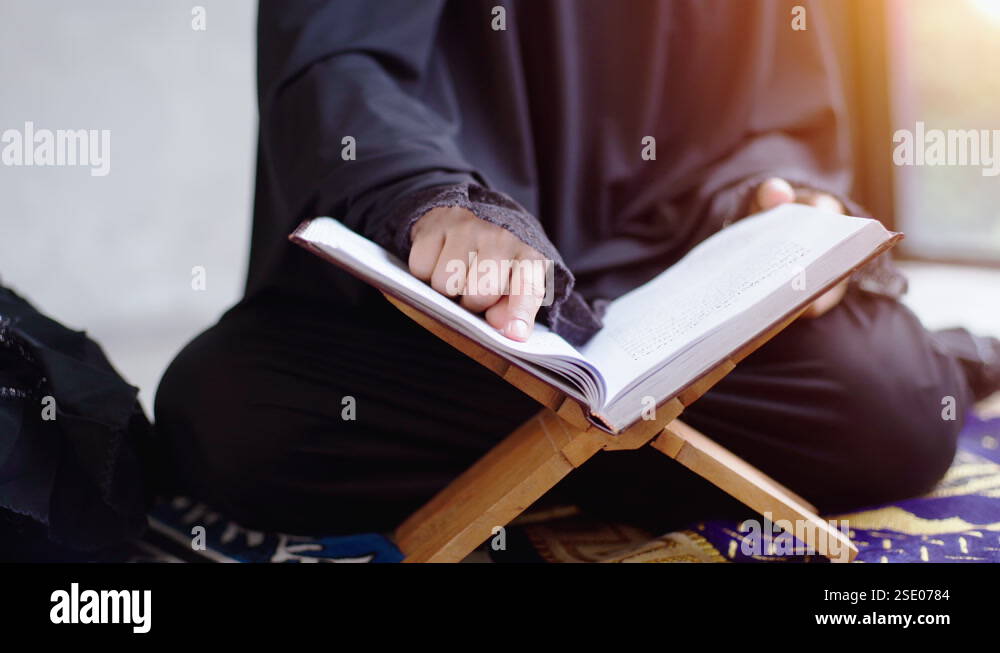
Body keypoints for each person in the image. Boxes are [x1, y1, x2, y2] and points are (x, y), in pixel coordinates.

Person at [154, 0, 1000, 535]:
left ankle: (553, 449)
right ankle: (658, 443)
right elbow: (339, 65)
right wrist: (438, 203)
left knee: (892, 397)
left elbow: (771, 116)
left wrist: (777, 206)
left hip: (676, 307)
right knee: (232, 413)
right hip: (448, 319)